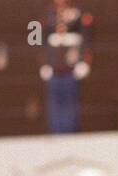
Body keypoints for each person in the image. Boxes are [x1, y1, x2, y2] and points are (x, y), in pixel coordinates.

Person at [40, 1, 94, 134]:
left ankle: (71, 131)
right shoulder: (45, 14)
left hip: (70, 66)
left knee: (71, 103)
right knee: (54, 103)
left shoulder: (78, 13)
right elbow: (34, 39)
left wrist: (85, 61)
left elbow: (87, 37)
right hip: (53, 66)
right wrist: (42, 63)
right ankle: (56, 132)